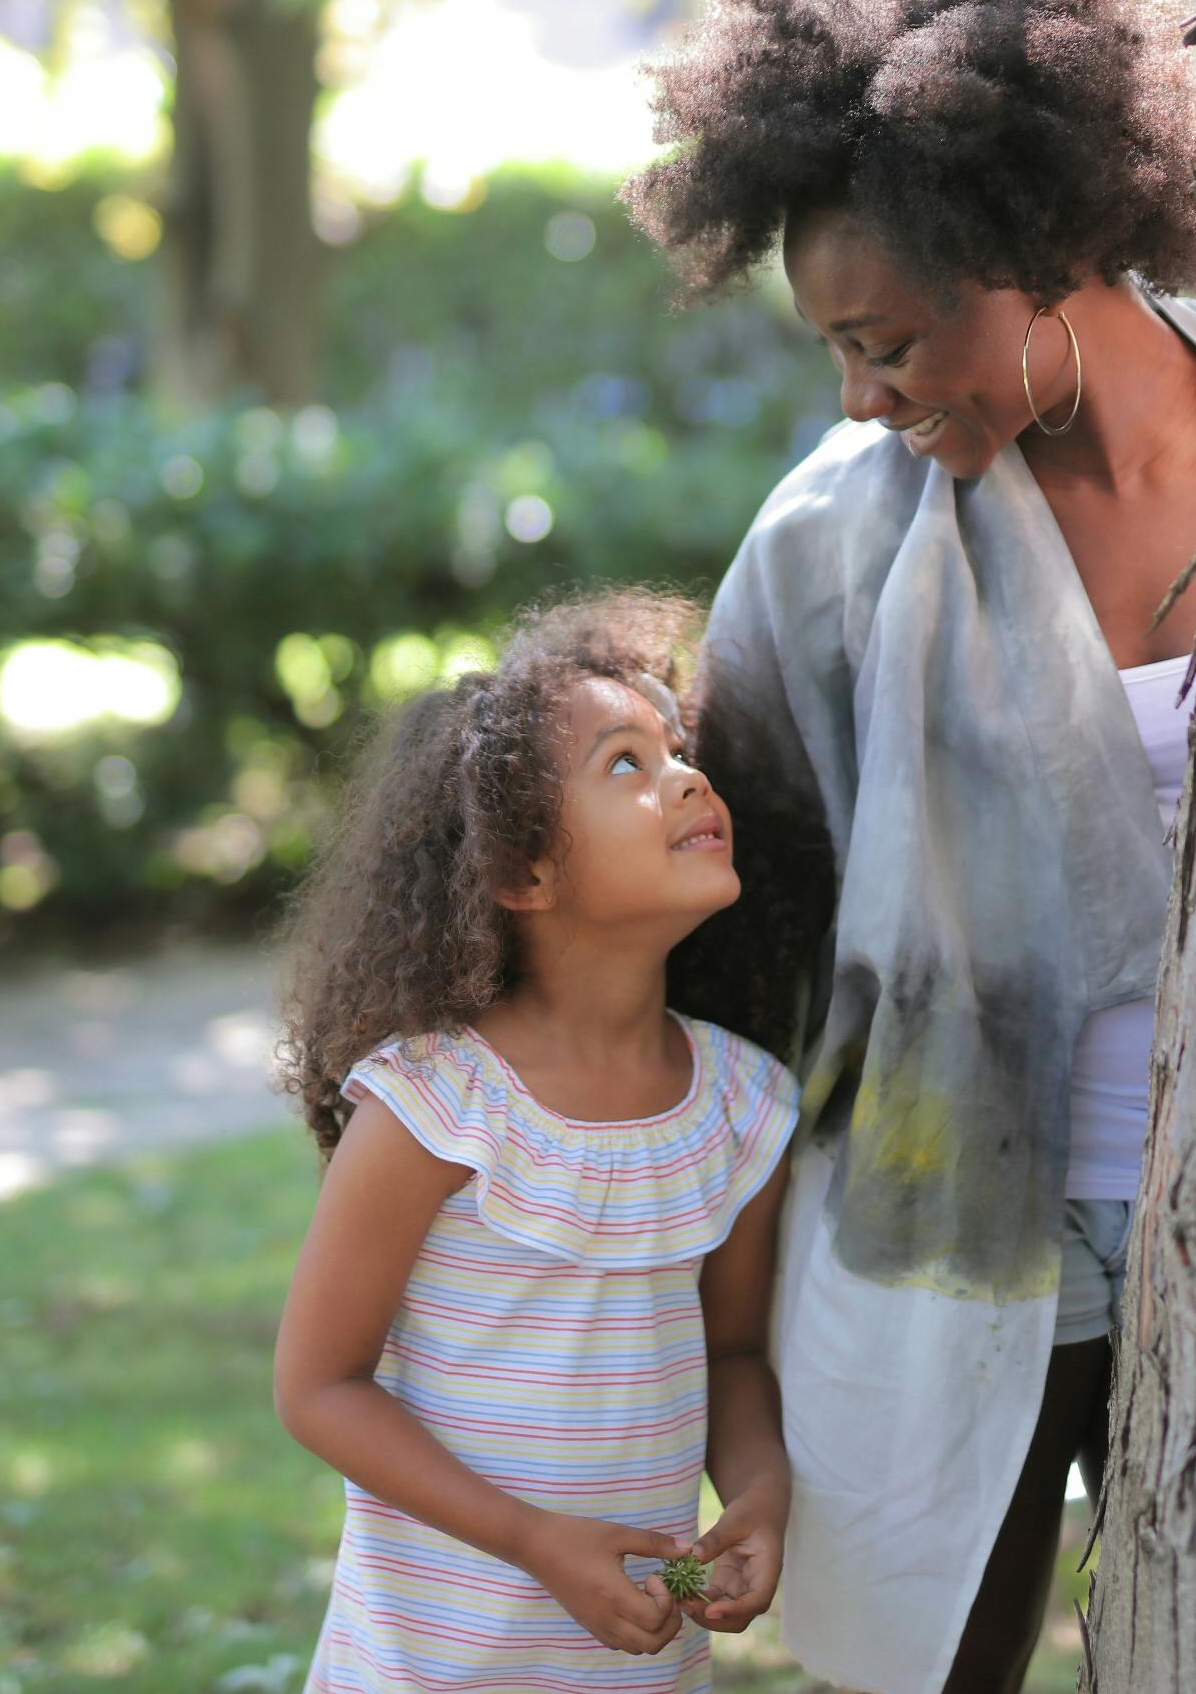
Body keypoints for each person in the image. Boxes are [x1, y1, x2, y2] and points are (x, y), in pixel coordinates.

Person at [626, 0, 1196, 1694]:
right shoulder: (827, 543)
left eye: (890, 339)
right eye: (832, 347)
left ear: (1040, 240)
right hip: (957, 1252)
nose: (863, 391)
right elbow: (734, 939)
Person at [274, 594, 803, 1693]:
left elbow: (732, 1355)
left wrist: (758, 1489)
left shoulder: (743, 1108)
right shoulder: (435, 1105)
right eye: (626, 764)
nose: (688, 778)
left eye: (679, 748)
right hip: (428, 1668)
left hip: (635, 1669)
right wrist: (528, 1539)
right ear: (522, 875)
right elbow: (319, 1385)